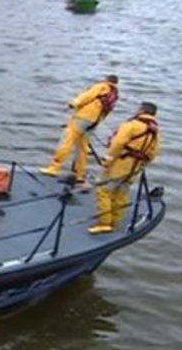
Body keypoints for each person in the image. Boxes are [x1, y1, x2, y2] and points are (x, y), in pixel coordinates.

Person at [88, 102, 161, 234]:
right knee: (121, 194)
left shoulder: (131, 126)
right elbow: (154, 152)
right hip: (134, 169)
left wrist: (108, 160)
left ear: (142, 111)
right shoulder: (155, 132)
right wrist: (141, 165)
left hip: (119, 165)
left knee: (103, 191)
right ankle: (115, 221)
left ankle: (104, 223)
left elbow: (118, 143)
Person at [40, 75, 120, 185]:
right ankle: (80, 174)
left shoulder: (101, 86)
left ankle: (54, 168)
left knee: (67, 142)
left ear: (107, 80)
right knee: (83, 148)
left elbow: (87, 96)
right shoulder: (114, 94)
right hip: (94, 122)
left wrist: (74, 103)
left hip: (83, 117)